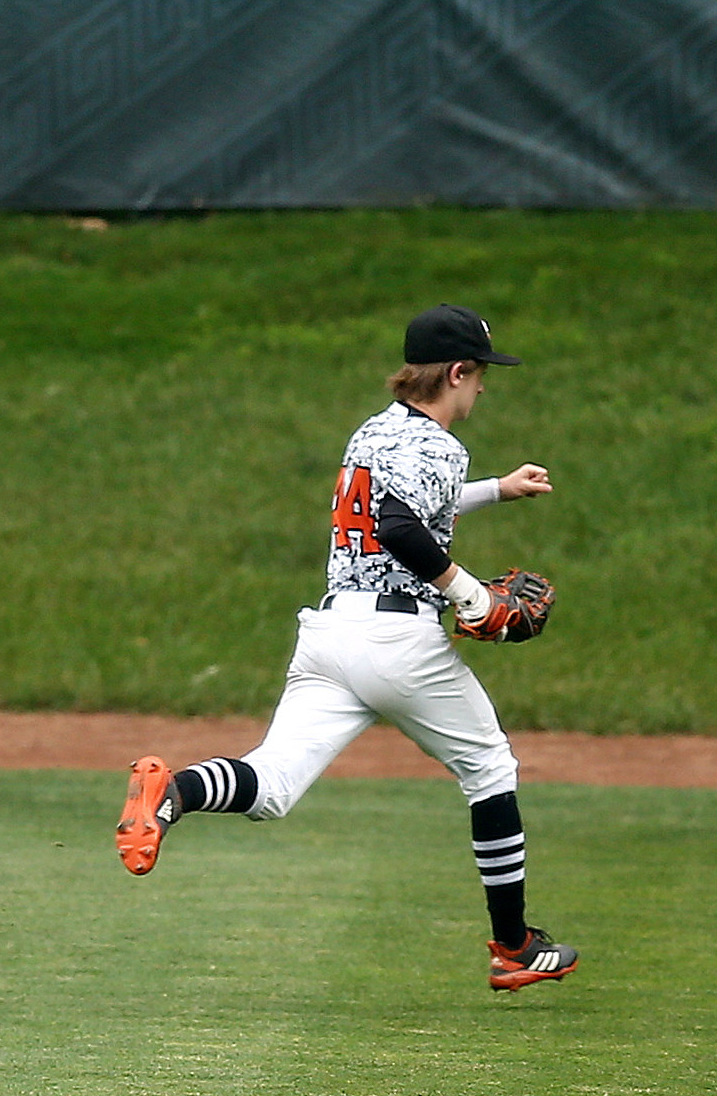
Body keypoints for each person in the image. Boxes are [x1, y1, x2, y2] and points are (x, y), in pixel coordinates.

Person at [115, 303, 578, 991]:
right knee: (489, 768)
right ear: (455, 372)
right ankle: (513, 946)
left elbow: (403, 505)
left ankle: (173, 793)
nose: (483, 388)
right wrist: (471, 595)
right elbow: (398, 524)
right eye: (479, 374)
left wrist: (497, 491)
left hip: (330, 635)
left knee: (270, 785)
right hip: (396, 641)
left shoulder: (373, 433)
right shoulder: (439, 445)